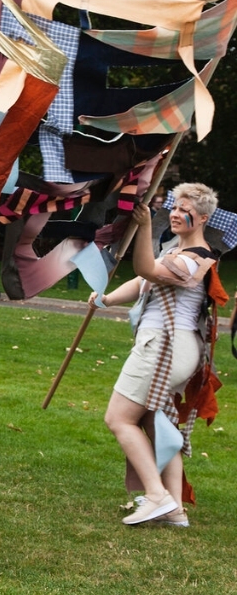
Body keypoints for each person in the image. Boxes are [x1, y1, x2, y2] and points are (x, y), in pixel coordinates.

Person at [89, 183, 228, 527]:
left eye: (185, 210)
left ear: (203, 218)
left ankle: (157, 496)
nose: (177, 214)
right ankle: (176, 510)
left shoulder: (194, 258)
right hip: (168, 345)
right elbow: (141, 285)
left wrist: (145, 226)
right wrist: (104, 300)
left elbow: (146, 270)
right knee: (157, 422)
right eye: (176, 207)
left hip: (164, 345)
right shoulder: (176, 252)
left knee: (119, 418)